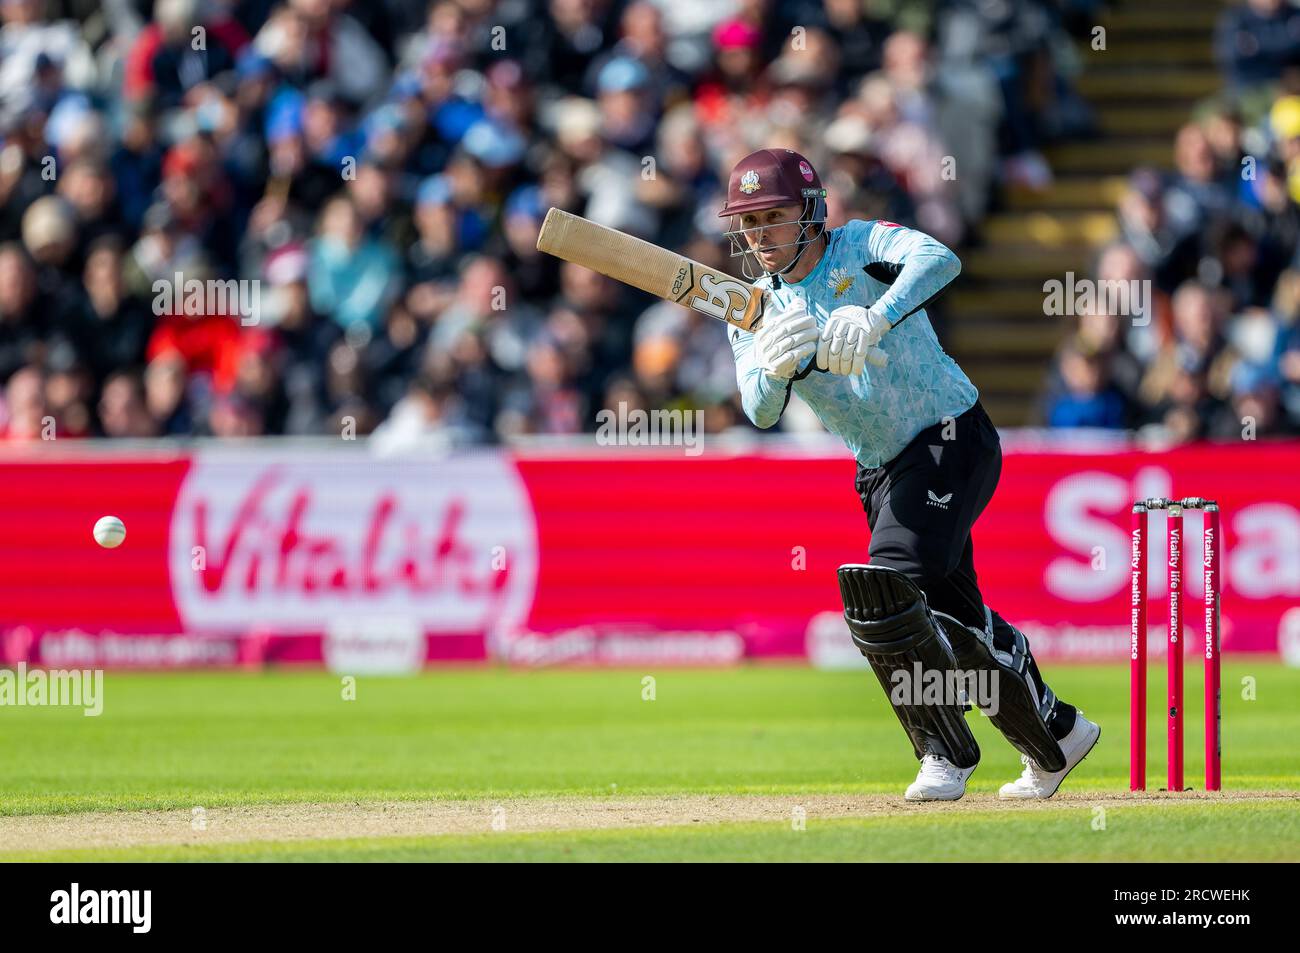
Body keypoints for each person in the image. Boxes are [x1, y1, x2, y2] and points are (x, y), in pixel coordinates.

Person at [720, 148, 1100, 801]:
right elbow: (757, 408)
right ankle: (1056, 734)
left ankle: (941, 750)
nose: (759, 236)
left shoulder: (861, 244)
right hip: (880, 470)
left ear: (811, 211)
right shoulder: (754, 305)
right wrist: (773, 368)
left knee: (885, 588)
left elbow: (939, 259)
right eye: (748, 223)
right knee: (957, 618)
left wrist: (876, 314)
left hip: (950, 436)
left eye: (773, 216)